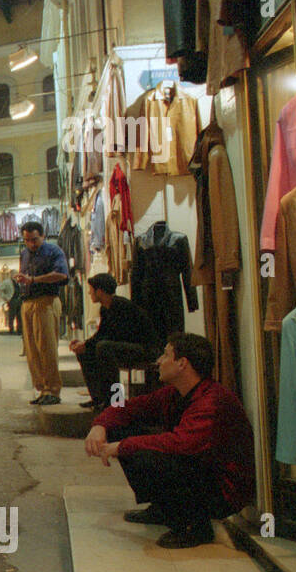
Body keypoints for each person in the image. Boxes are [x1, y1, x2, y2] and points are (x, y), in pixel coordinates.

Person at [84, 333, 255, 549]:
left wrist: (122, 446)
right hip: (201, 472)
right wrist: (100, 425)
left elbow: (180, 444)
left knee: (142, 451)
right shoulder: (175, 393)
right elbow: (129, 407)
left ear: (182, 363)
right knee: (125, 430)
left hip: (223, 493)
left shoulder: (212, 401)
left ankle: (195, 526)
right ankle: (163, 508)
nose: (159, 361)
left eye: (166, 355)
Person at [70, 273, 162, 410]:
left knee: (104, 348)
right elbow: (102, 333)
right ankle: (98, 398)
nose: (89, 293)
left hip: (144, 348)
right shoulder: (105, 308)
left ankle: (115, 400)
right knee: (87, 352)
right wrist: (84, 344)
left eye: (91, 290)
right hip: (124, 347)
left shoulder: (121, 306)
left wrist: (88, 344)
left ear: (99, 291)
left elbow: (117, 335)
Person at [15, 221, 69, 404]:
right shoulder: (24, 254)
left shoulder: (54, 251)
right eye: (27, 240)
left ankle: (52, 390)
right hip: (27, 303)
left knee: (46, 348)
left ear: (43, 236)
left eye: (34, 239)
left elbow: (62, 275)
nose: (31, 243)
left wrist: (33, 279)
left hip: (46, 301)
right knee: (32, 350)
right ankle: (42, 389)